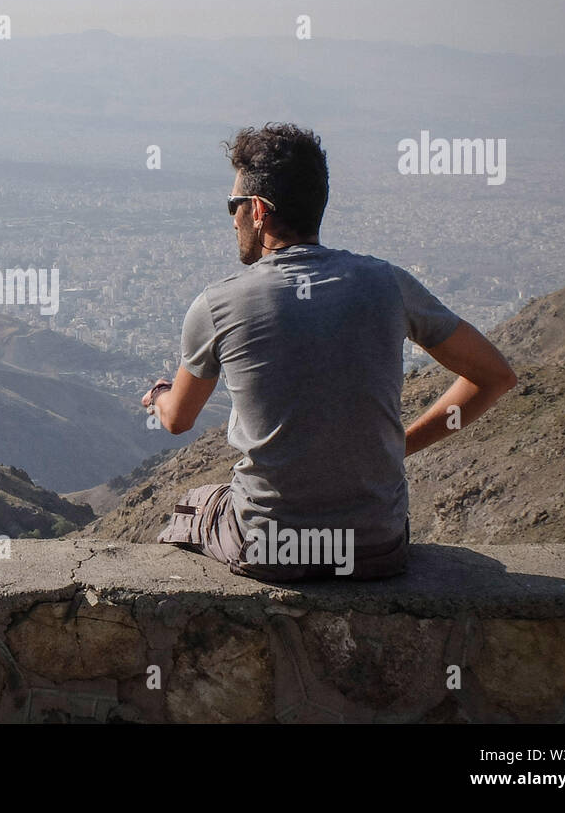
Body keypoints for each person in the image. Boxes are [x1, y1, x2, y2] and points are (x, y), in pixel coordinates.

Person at [143, 123, 516, 581]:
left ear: (257, 211)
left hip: (270, 547)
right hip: (377, 545)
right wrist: (399, 447)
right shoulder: (388, 283)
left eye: (234, 206)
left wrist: (161, 393)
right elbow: (495, 375)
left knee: (188, 509)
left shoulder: (218, 303)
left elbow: (178, 420)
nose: (232, 218)